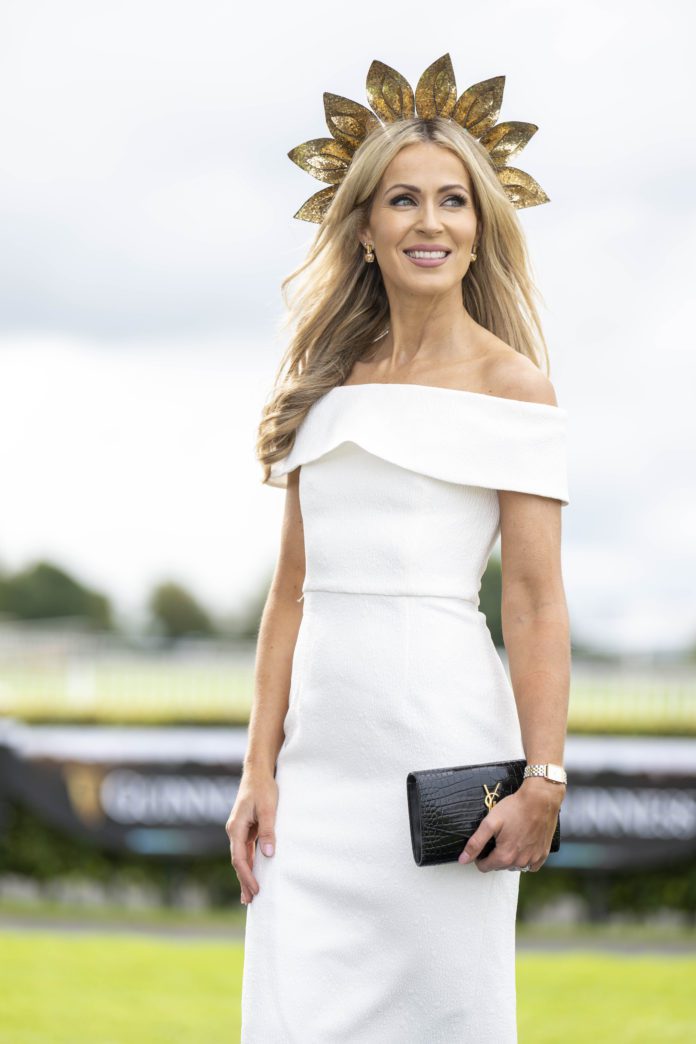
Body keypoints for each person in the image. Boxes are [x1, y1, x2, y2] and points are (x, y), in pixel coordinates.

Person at [227, 56, 570, 1043]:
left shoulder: (516, 388)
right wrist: (259, 771)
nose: (431, 221)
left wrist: (544, 780)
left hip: (444, 753)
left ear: (481, 228)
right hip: (317, 774)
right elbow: (289, 595)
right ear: (365, 229)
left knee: (442, 1015)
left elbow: (536, 604)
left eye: (455, 201)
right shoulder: (324, 385)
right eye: (404, 200)